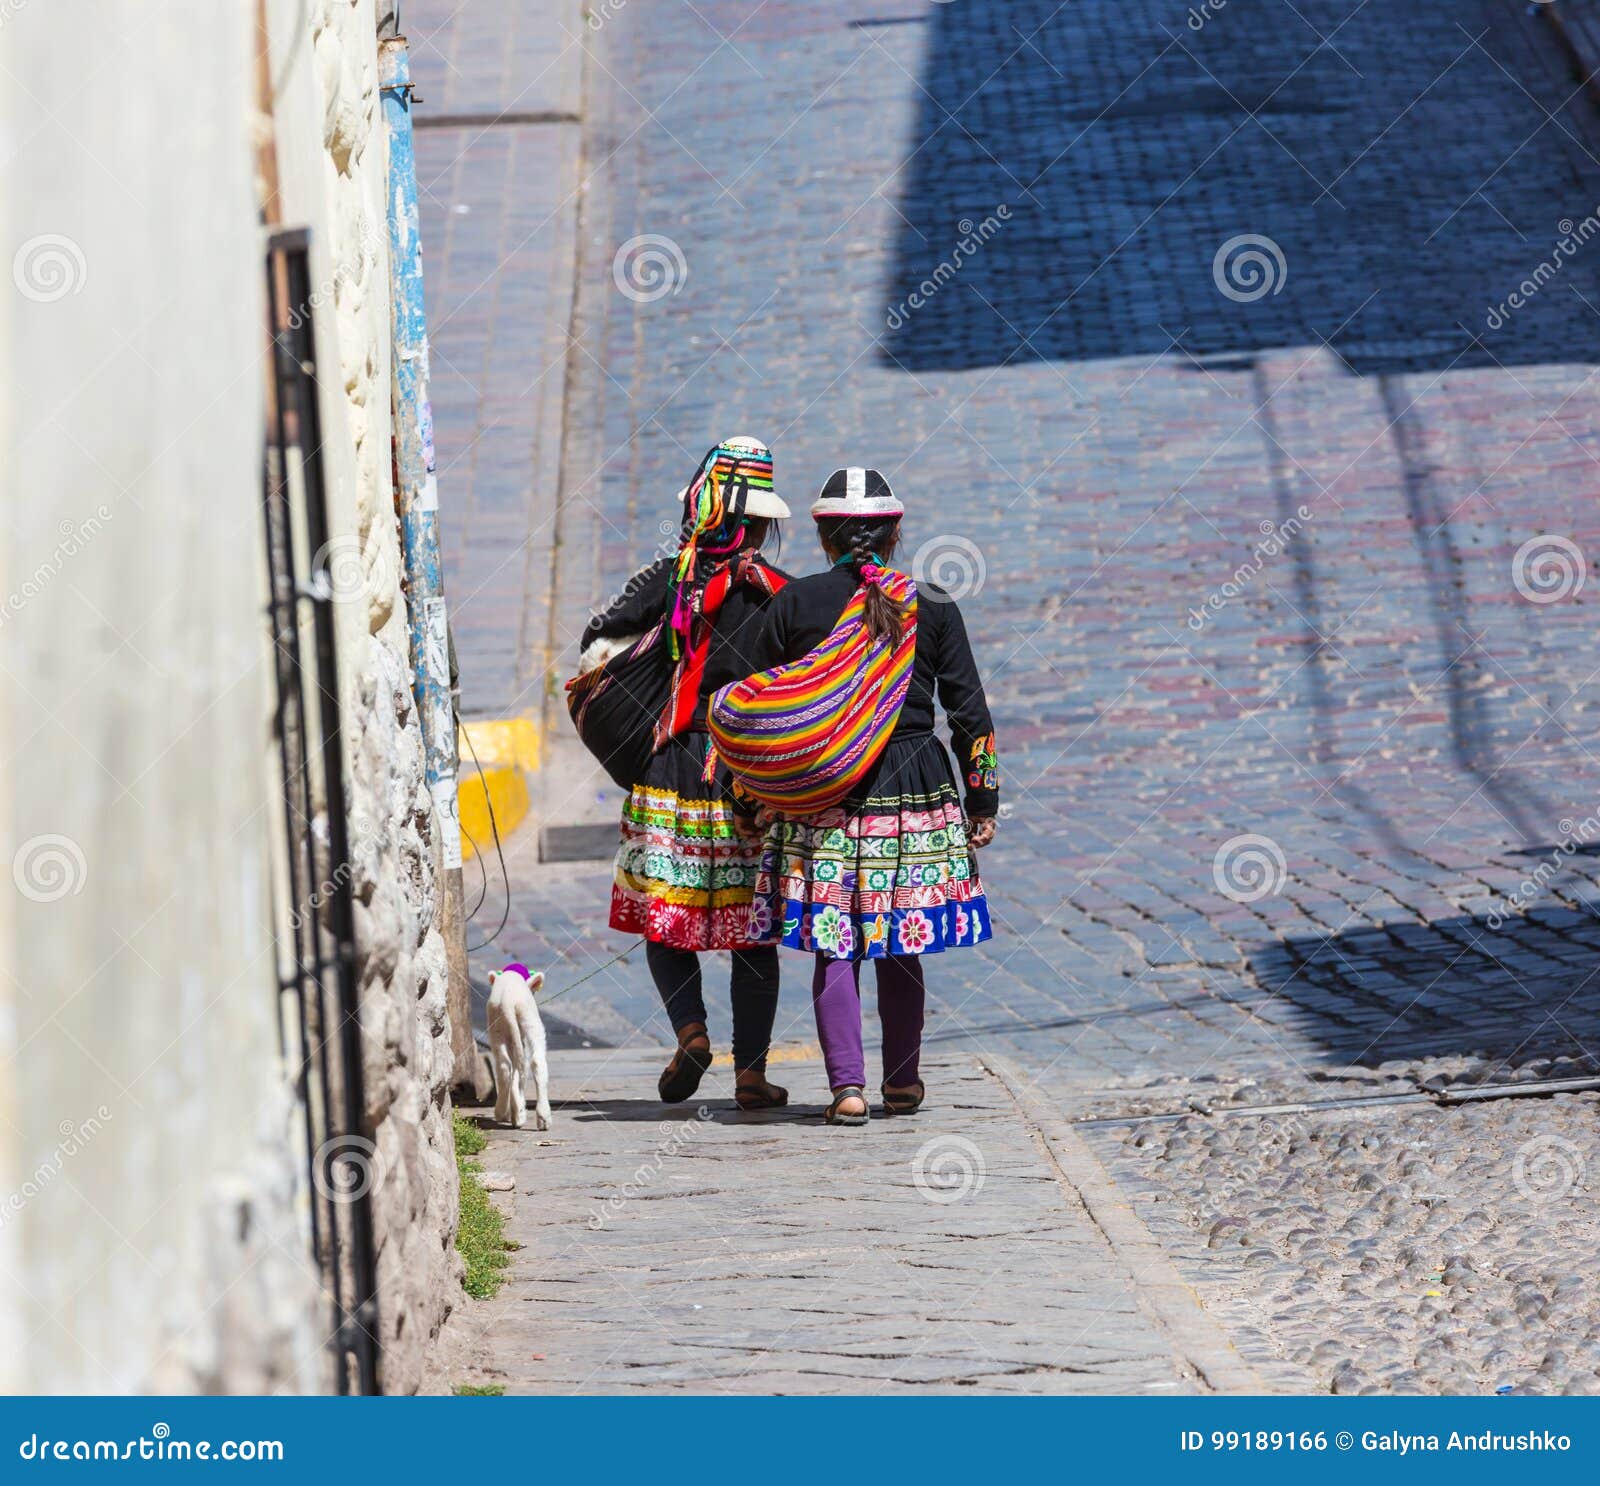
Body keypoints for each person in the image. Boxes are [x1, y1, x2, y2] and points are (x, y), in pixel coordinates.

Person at [741, 467, 998, 1125]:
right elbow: (969, 709)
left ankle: (847, 1090)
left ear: (824, 536)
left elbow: (751, 704)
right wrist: (983, 799)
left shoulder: (794, 605)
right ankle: (903, 1083)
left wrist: (752, 792)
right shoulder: (932, 604)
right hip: (915, 787)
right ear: (895, 533)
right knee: (900, 936)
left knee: (836, 938)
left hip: (823, 789)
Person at [581, 437, 792, 1110]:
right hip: (747, 779)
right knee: (753, 929)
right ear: (759, 522)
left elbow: (596, 647)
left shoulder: (668, 579)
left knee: (665, 919)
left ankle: (692, 1032)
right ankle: (751, 1074)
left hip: (671, 768)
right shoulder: (780, 597)